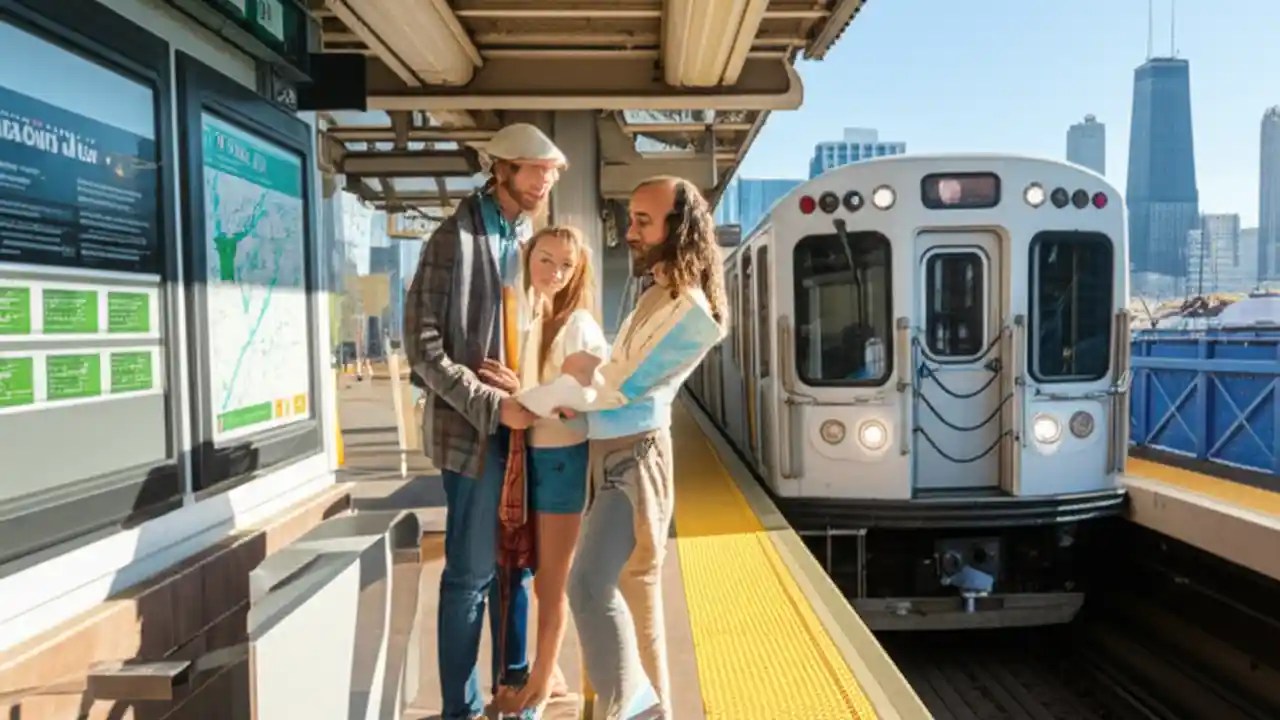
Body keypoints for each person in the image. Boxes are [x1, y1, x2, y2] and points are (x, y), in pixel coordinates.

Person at [517, 176, 728, 719]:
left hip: (633, 461)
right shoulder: (655, 293)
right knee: (632, 601)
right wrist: (584, 380)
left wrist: (541, 397)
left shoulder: (691, 313)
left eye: (642, 221)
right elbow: (610, 374)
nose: (629, 232)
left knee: (595, 589)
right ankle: (634, 710)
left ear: (677, 230)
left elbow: (616, 387)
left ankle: (634, 710)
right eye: (630, 218)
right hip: (608, 456)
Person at [403, 122, 566, 720]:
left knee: (516, 570)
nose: (546, 181)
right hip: (476, 433)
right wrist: (493, 403)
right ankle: (461, 709)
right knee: (471, 575)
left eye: (552, 173)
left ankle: (515, 697)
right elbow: (421, 347)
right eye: (536, 171)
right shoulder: (453, 238)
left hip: (529, 433)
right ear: (501, 168)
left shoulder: (529, 237)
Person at [479, 226, 609, 717]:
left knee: (552, 581)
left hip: (560, 460)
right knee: (532, 574)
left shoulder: (576, 322)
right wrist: (523, 388)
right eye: (546, 260)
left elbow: (587, 386)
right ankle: (547, 675)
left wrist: (526, 398)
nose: (554, 272)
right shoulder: (534, 316)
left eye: (566, 265)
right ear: (529, 257)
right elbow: (546, 386)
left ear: (579, 273)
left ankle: (535, 693)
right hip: (534, 458)